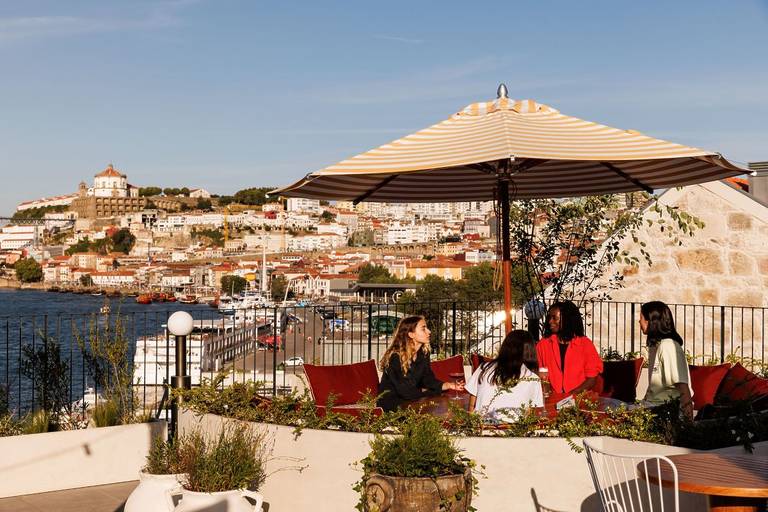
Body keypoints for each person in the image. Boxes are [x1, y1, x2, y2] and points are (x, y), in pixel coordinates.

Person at [377, 315, 463, 412]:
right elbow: (406, 392)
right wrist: (429, 391)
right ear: (411, 334)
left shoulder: (422, 354)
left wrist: (448, 385)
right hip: (393, 407)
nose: (429, 332)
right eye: (423, 329)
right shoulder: (395, 357)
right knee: (439, 410)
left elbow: (428, 380)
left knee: (449, 407)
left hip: (413, 402)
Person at [465, 330, 544, 421]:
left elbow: (471, 407)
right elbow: (529, 415)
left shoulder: (483, 368)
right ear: (530, 351)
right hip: (514, 432)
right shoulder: (533, 379)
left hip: (482, 428)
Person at [640, 301, 694, 420]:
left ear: (650, 321)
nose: (639, 322)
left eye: (642, 318)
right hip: (652, 407)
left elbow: (683, 386)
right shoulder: (656, 346)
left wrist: (688, 424)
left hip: (663, 411)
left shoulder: (668, 346)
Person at [536, 301, 603, 395]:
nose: (550, 321)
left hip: (580, 399)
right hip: (553, 399)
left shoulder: (585, 344)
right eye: (549, 318)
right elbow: (540, 375)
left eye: (554, 318)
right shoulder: (543, 344)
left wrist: (571, 395)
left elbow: (592, 378)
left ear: (567, 319)